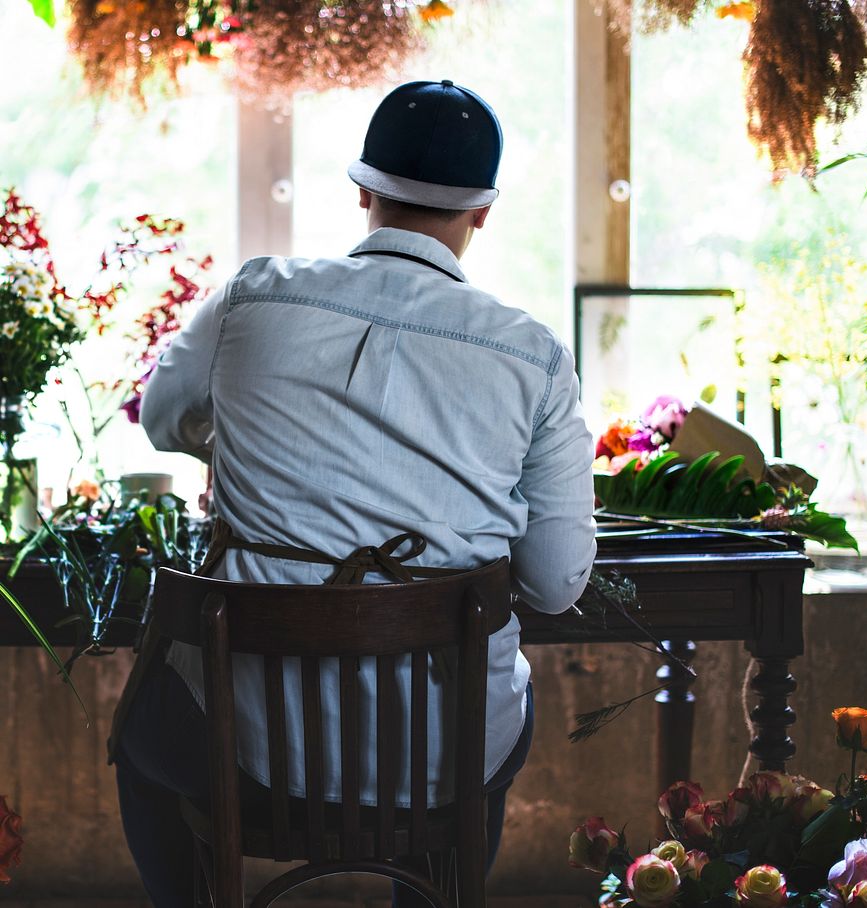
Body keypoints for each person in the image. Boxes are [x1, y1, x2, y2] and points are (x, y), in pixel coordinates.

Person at [112, 79, 597, 906]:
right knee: (481, 745)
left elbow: (161, 420)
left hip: (247, 747)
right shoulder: (534, 356)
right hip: (441, 760)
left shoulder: (254, 294)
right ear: (483, 212)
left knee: (143, 745)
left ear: (361, 190)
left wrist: (247, 446)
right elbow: (556, 583)